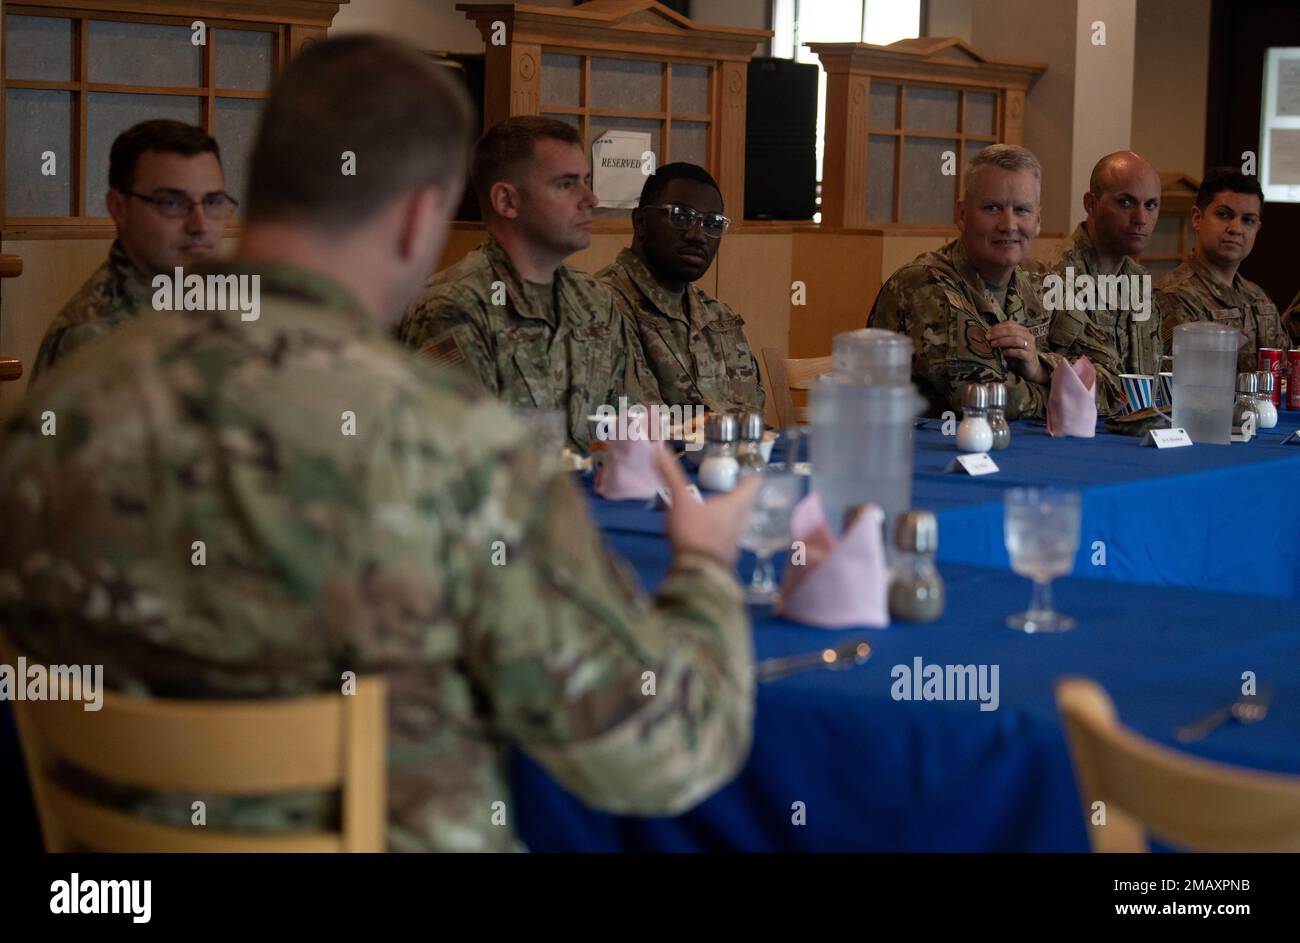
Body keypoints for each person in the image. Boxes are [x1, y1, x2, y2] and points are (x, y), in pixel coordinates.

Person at [0, 35, 759, 853]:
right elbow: (669, 751)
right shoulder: (455, 444)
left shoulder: (56, 409)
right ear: (414, 218)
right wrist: (705, 572)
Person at [396, 116, 661, 451]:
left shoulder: (596, 300)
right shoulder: (454, 306)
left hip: (595, 497)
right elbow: (457, 455)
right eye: (566, 184)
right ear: (507, 201)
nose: (590, 199)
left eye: (585, 181)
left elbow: (634, 423)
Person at [867, 144, 1059, 419]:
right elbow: (986, 400)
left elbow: (1107, 382)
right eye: (992, 208)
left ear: (1038, 221)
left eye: (1022, 210)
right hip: (922, 454)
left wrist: (1040, 368)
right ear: (962, 215)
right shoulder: (925, 286)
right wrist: (1065, 394)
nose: (1008, 224)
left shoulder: (1043, 282)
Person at [31, 120, 232, 379]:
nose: (200, 225)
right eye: (171, 203)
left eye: (212, 201)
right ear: (119, 208)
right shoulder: (91, 337)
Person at [597, 162, 764, 414]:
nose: (698, 235)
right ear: (640, 222)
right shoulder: (601, 306)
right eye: (681, 217)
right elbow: (635, 427)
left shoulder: (720, 317)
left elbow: (755, 418)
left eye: (713, 223)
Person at [1045, 151, 1164, 415]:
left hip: (1135, 432)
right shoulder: (1051, 276)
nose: (1141, 218)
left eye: (1151, 205)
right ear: (1091, 204)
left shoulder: (1140, 280)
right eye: (1125, 203)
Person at [1155, 167, 1287, 372]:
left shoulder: (1259, 299)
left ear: (1257, 228)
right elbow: (1184, 385)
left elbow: (1286, 375)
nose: (1236, 228)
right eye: (1224, 215)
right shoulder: (1173, 296)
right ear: (1197, 218)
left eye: (1248, 220)